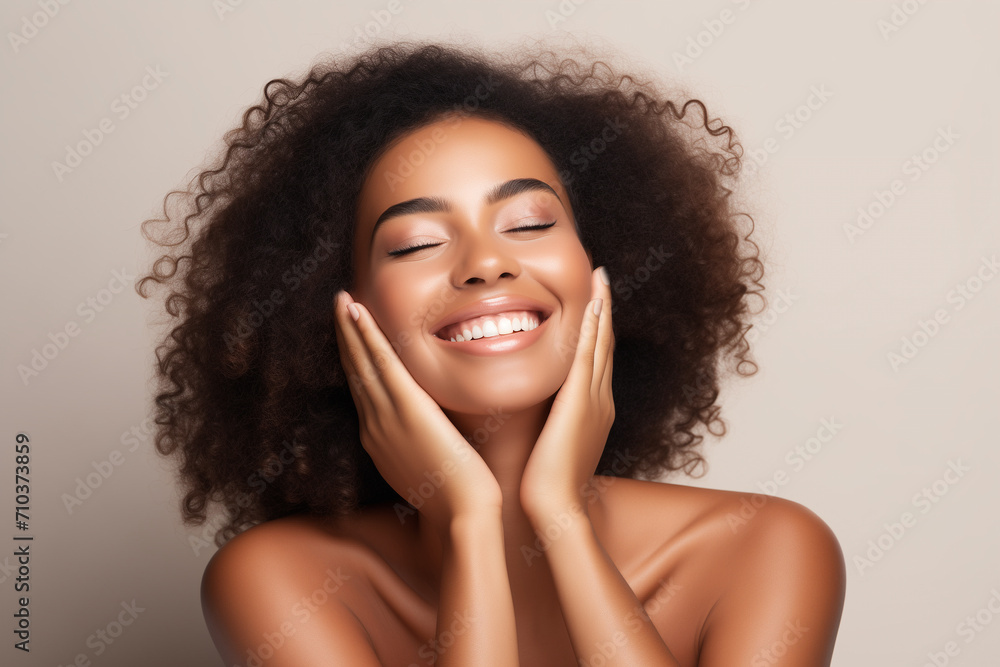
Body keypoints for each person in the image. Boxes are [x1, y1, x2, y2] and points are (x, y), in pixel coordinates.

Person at [138, 39, 846, 666]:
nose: (486, 263)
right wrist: (470, 523)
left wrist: (561, 517)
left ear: (605, 266)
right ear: (342, 308)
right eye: (416, 242)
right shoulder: (279, 583)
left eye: (531, 222)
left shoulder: (766, 549)